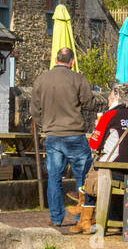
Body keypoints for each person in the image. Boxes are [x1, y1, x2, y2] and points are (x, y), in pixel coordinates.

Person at [30, 46, 93, 228]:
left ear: (56, 60)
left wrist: (46, 125)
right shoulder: (78, 78)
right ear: (71, 62)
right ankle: (82, 218)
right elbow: (89, 103)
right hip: (74, 134)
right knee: (82, 177)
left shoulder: (41, 79)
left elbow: (34, 110)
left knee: (54, 177)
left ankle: (56, 218)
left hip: (53, 136)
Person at [74, 83, 128, 234]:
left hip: (115, 172)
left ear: (116, 98)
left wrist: (98, 127)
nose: (108, 101)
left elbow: (94, 144)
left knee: (89, 167)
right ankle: (103, 217)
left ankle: (85, 219)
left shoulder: (109, 116)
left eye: (109, 97)